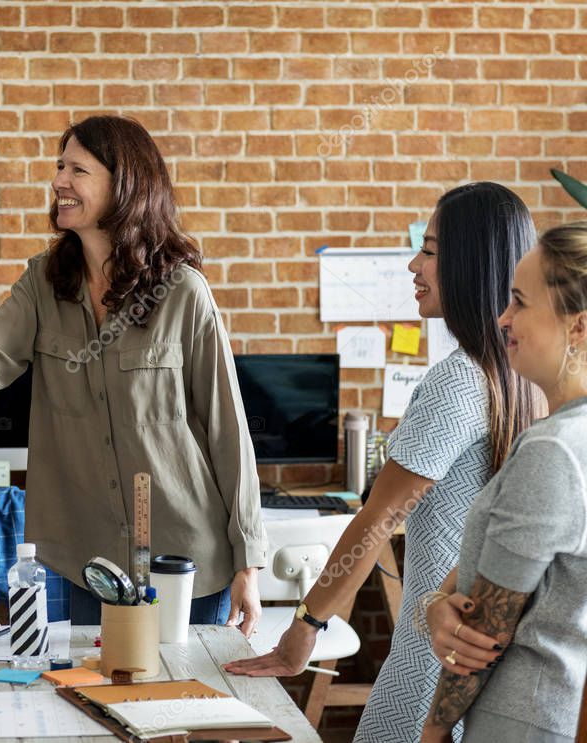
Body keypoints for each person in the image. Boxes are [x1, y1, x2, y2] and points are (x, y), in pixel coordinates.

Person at [0, 115, 267, 630]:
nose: (59, 181)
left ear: (124, 184)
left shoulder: (182, 292)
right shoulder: (43, 283)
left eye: (77, 170)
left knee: (180, 701)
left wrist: (249, 560)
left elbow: (228, 432)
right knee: (88, 696)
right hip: (84, 560)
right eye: (59, 166)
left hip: (186, 559)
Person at [223, 183, 543, 743]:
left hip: (429, 661)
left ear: (470, 263)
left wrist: (305, 627)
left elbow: (379, 519)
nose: (413, 263)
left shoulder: (457, 381)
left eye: (431, 250)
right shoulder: (522, 381)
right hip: (486, 660)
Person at [421, 222, 587, 743]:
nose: (503, 317)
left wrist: (431, 730)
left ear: (577, 328)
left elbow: (486, 630)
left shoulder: (552, 449)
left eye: (519, 302)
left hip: (522, 720)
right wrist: (436, 601)